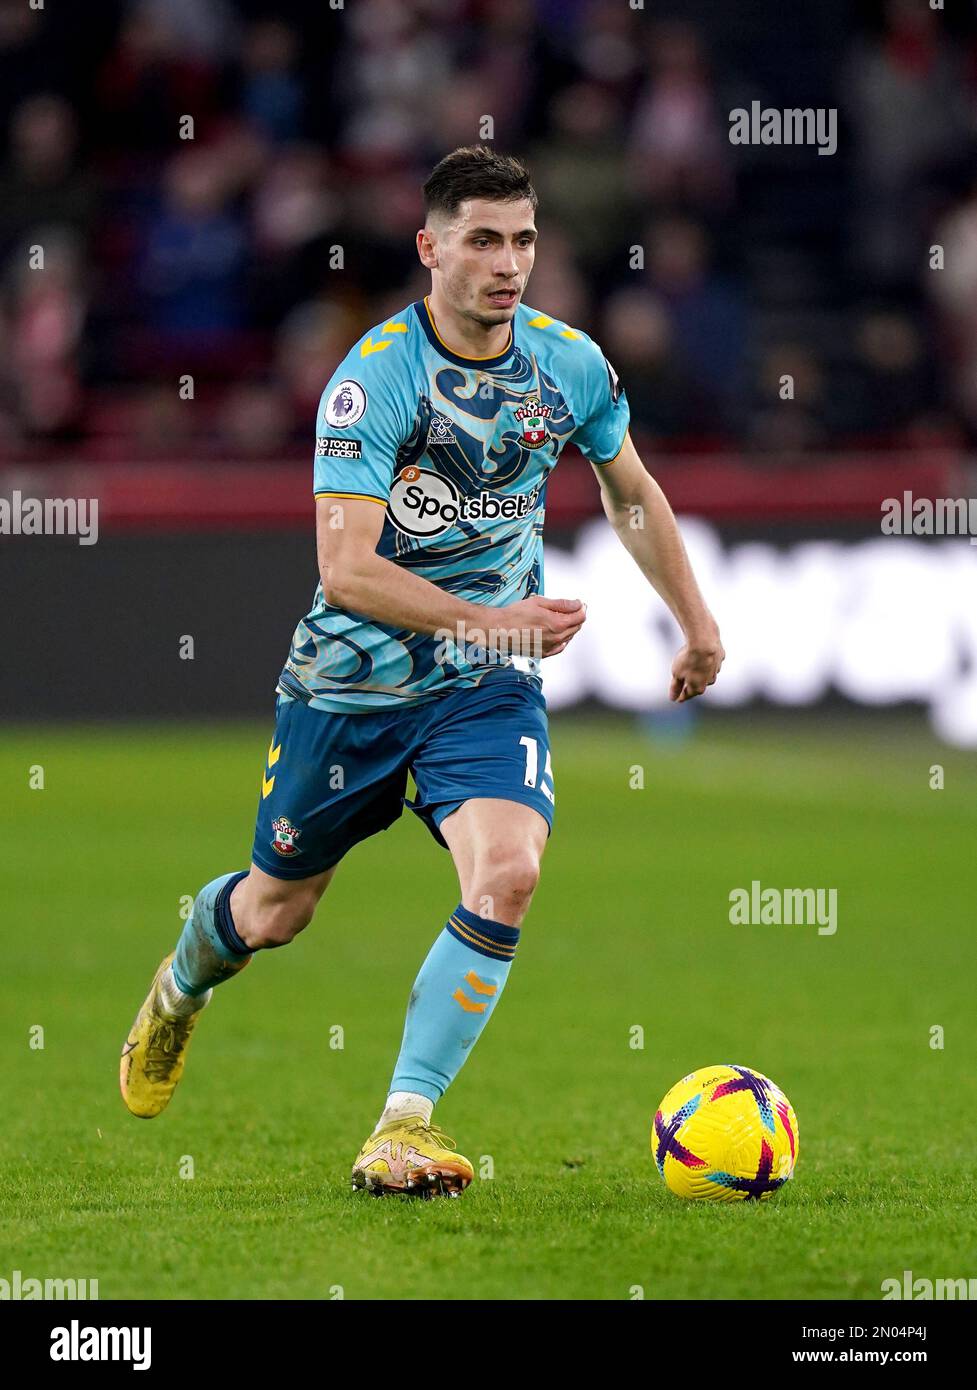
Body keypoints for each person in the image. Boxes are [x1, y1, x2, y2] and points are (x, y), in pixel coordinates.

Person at [120, 145, 724, 1198]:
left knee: (511, 871)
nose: (506, 263)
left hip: (478, 691)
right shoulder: (374, 380)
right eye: (482, 239)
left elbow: (628, 491)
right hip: (351, 685)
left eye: (523, 239)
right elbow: (344, 568)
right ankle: (180, 982)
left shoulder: (566, 365)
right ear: (429, 247)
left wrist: (697, 622)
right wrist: (491, 620)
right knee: (274, 913)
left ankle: (403, 1122)